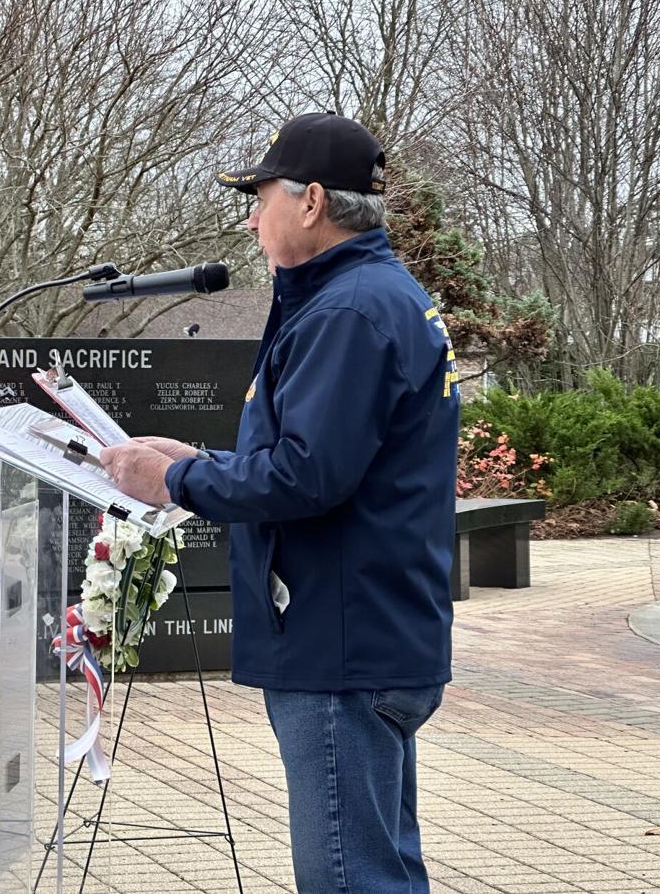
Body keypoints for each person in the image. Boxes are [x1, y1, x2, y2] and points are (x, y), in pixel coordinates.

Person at [99, 112, 459, 893]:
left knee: (349, 877)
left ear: (313, 201)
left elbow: (306, 479)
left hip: (341, 643)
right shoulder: (365, 298)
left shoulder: (349, 311)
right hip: (370, 630)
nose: (251, 217)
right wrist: (202, 461)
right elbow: (327, 458)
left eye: (259, 197)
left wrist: (174, 483)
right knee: (381, 869)